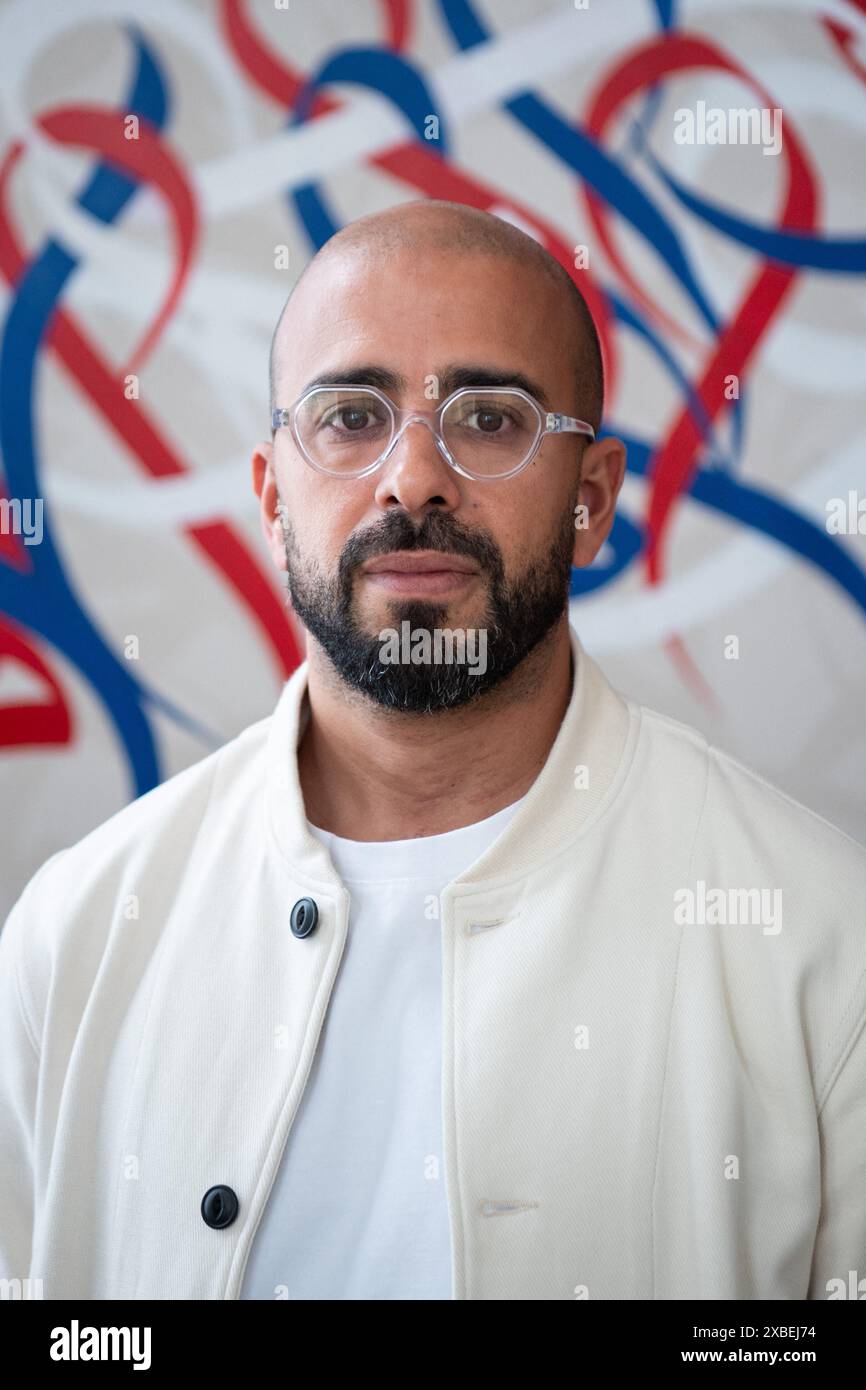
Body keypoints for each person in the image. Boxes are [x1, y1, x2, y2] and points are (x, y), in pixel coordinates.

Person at [0, 200, 864, 1302]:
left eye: (490, 419)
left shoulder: (824, 943)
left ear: (591, 502)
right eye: (351, 417)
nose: (413, 479)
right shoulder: (76, 931)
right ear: (272, 500)